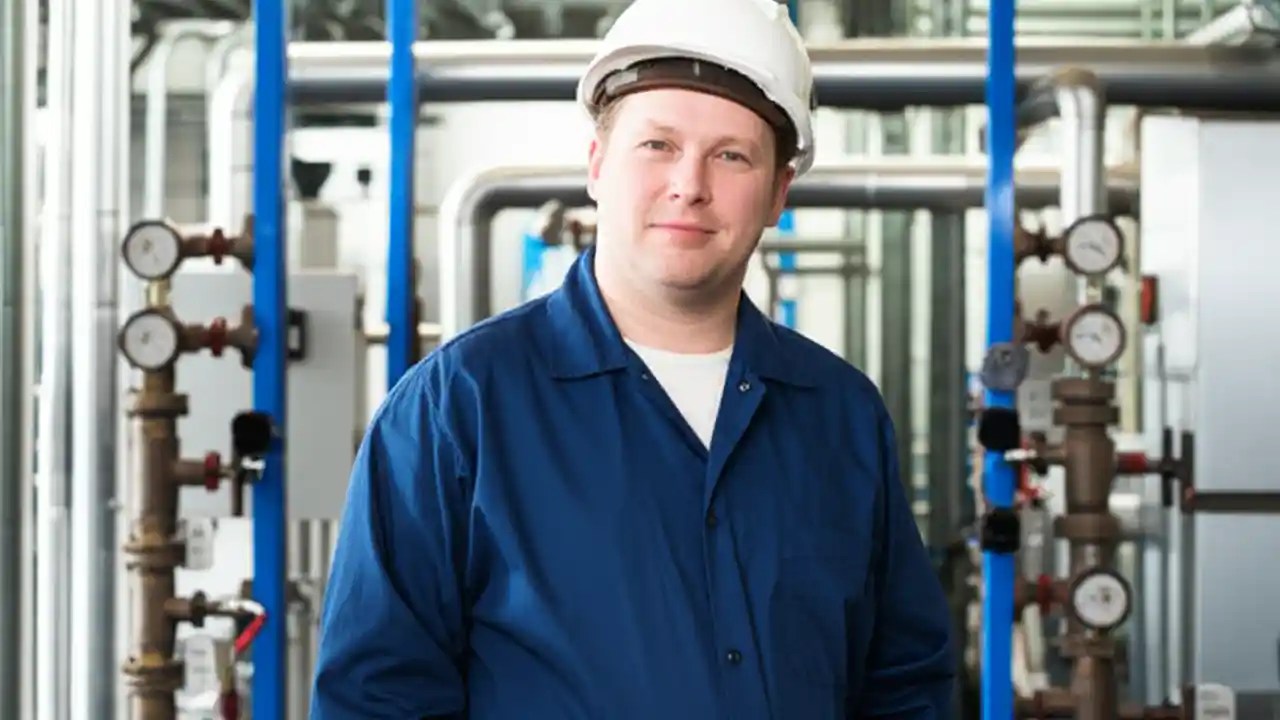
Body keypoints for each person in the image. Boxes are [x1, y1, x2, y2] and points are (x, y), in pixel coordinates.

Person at [310, 0, 955, 717]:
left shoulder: (840, 415)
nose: (689, 184)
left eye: (731, 155)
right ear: (596, 164)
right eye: (658, 145)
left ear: (778, 193)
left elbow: (904, 685)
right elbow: (378, 698)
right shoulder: (459, 406)